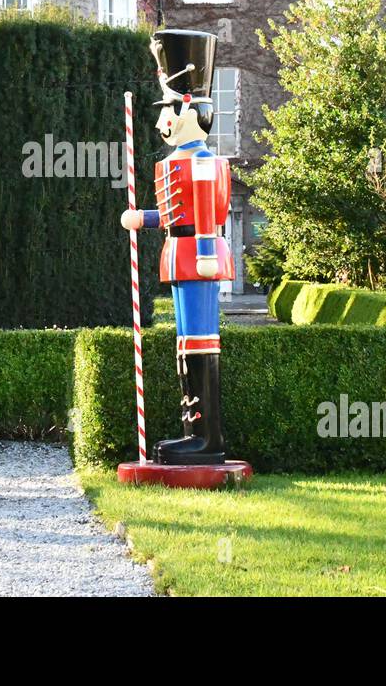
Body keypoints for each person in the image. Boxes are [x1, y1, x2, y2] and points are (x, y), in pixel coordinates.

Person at [121, 29, 233, 465]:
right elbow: (174, 215)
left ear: (187, 110)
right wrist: (143, 219)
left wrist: (206, 253)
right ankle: (193, 430)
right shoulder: (179, 162)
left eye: (165, 110)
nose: (159, 122)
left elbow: (205, 211)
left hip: (197, 258)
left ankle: (207, 438)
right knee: (186, 342)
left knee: (202, 341)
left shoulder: (203, 162)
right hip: (180, 254)